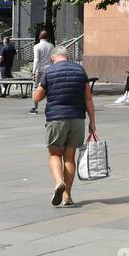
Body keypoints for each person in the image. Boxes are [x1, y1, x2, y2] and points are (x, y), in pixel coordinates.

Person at [32, 45, 97, 208]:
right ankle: (67, 195)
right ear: (67, 57)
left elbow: (38, 97)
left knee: (54, 154)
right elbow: (88, 99)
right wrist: (92, 122)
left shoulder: (49, 71)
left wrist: (36, 88)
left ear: (53, 58)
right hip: (77, 119)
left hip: (56, 118)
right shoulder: (80, 70)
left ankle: (59, 182)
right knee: (69, 157)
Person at [29, 30, 55, 115]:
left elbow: (36, 60)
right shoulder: (51, 46)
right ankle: (51, 106)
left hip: (40, 70)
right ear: (47, 37)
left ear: (39, 37)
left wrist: (33, 72)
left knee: (35, 87)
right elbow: (53, 58)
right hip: (49, 69)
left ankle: (34, 107)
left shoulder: (37, 46)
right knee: (50, 88)